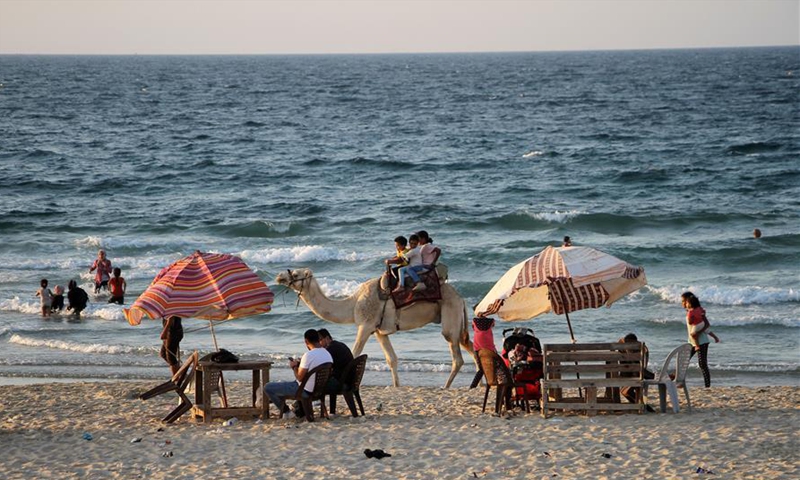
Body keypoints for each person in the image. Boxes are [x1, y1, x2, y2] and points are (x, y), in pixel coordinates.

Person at [263, 329, 333, 418]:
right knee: (282, 384)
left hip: (304, 390)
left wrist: (294, 367)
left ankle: (287, 412)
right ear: (319, 339)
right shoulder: (327, 354)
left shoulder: (308, 355)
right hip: (319, 390)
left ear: (306, 341)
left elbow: (299, 377)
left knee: (268, 387)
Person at [681, 292, 713, 388]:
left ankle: (707, 386)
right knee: (684, 361)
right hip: (691, 341)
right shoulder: (690, 312)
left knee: (702, 364)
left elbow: (707, 324)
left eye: (683, 301)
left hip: (702, 341)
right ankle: (678, 380)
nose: (682, 303)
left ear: (688, 301)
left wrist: (699, 333)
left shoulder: (697, 312)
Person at [617, 333, 655, 407]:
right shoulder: (638, 347)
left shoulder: (621, 346)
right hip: (634, 374)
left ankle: (643, 406)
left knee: (625, 391)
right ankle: (643, 406)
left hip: (630, 375)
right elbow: (646, 352)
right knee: (625, 391)